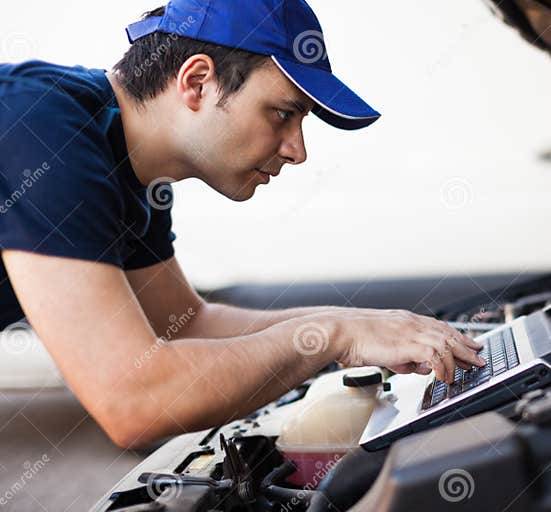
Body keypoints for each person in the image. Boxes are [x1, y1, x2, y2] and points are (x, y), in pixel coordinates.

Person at [0, 0, 485, 449]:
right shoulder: (45, 129)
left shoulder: (132, 174)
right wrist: (333, 334)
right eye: (281, 113)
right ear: (196, 83)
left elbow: (185, 327)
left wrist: (363, 327)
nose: (298, 150)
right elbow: (132, 401)